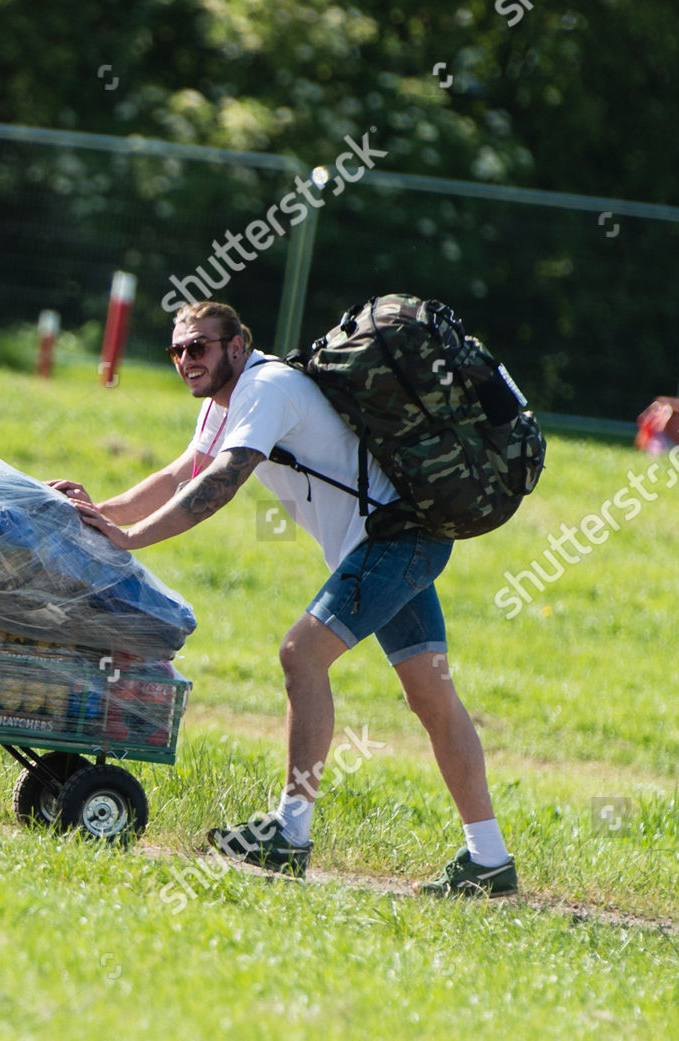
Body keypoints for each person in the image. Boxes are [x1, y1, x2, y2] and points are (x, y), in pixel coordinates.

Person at [52, 300, 517, 897]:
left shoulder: (265, 387)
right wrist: (100, 514)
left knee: (301, 656)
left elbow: (222, 481)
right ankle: (491, 859)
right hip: (396, 542)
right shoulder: (227, 402)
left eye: (199, 347)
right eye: (177, 350)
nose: (186, 359)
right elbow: (183, 475)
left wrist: (133, 538)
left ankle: (290, 832)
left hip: (395, 541)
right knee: (432, 697)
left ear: (237, 346)